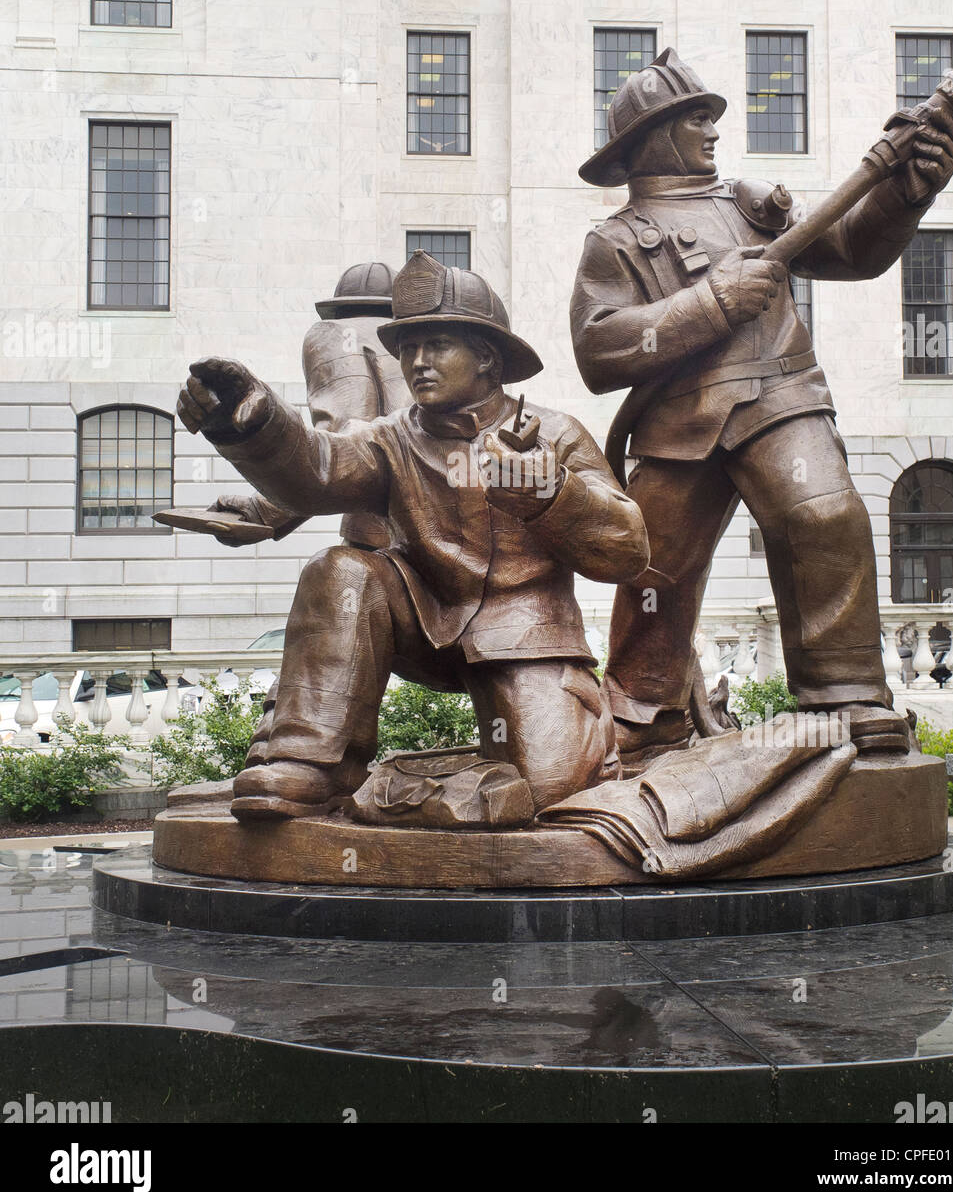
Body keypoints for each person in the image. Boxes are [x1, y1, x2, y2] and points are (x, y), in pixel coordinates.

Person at [571, 47, 953, 760]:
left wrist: (907, 194)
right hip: (677, 422)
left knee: (826, 516)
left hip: (779, 394)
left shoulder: (749, 205)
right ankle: (644, 716)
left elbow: (851, 251)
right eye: (696, 119)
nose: (714, 131)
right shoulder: (616, 239)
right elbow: (599, 352)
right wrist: (709, 303)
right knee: (653, 569)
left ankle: (846, 696)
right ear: (653, 137)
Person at [177, 251, 650, 820]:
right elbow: (318, 470)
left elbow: (627, 551)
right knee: (341, 569)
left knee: (551, 797)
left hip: (525, 637)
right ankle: (311, 766)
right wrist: (250, 422)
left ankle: (426, 784)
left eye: (437, 346)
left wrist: (552, 492)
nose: (417, 362)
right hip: (420, 619)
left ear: (487, 359)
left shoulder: (554, 433)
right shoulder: (389, 438)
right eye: (407, 349)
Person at [206, 260, 409, 552]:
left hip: (378, 546)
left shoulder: (332, 334)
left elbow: (337, 452)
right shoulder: (421, 342)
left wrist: (265, 510)